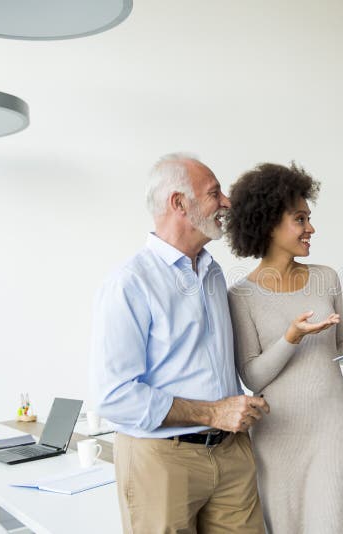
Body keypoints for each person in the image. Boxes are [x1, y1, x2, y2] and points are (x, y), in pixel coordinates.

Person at [89, 153, 269, 534]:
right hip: (162, 460)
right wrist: (212, 414)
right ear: (179, 203)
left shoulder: (213, 273)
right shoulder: (129, 284)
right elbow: (114, 395)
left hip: (232, 453)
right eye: (214, 193)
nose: (227, 203)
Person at [225, 162, 343, 534]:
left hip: (333, 427)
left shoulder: (326, 277)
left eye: (309, 218)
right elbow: (252, 375)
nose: (310, 228)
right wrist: (291, 337)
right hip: (276, 435)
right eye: (300, 219)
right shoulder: (241, 296)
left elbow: (341, 343)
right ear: (268, 223)